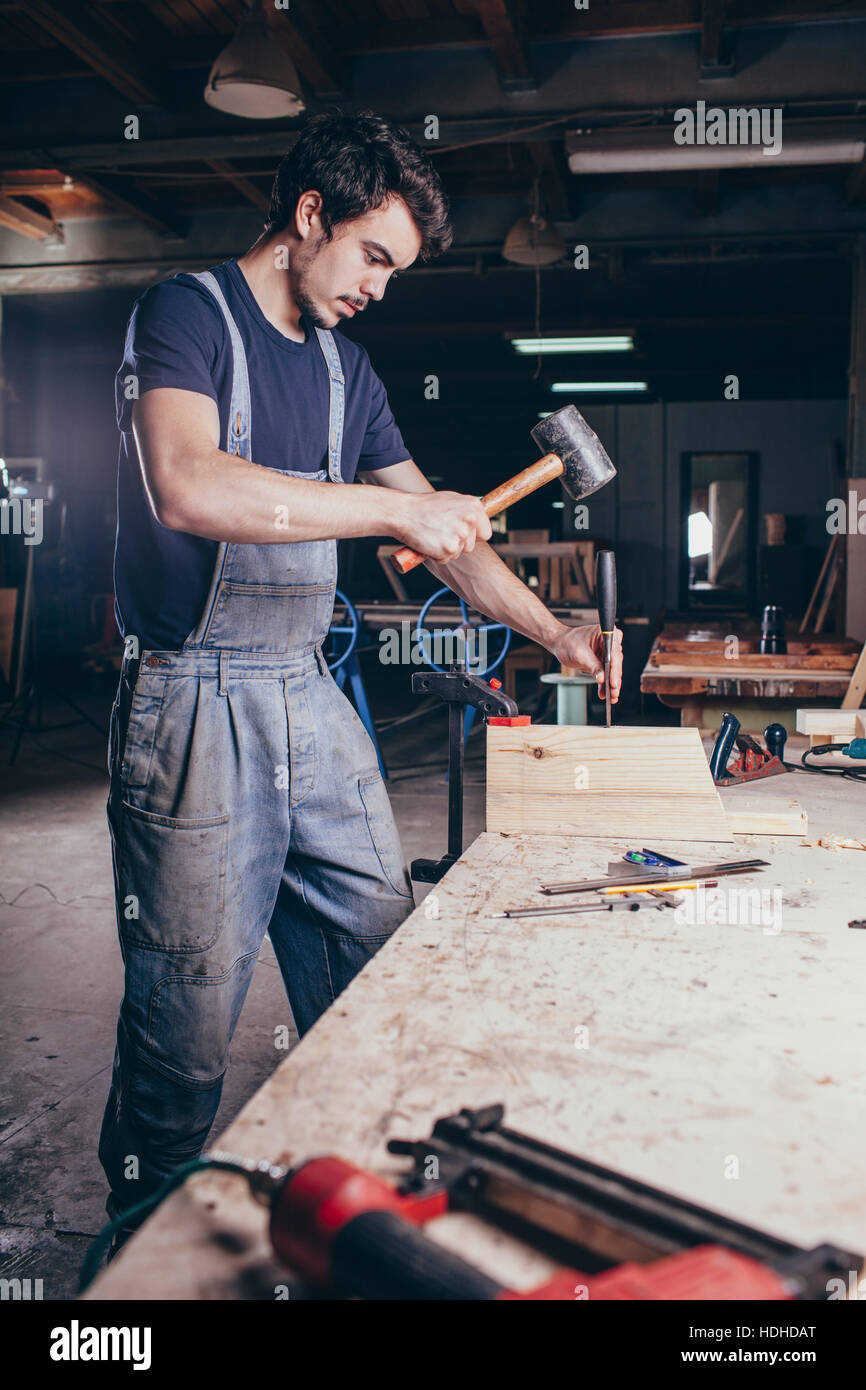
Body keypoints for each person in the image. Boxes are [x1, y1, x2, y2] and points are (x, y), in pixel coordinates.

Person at [99, 111, 623, 1235]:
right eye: (372, 256)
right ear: (305, 218)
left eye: (396, 269)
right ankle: (136, 1245)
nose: (380, 287)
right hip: (194, 699)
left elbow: (457, 536)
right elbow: (189, 484)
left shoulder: (347, 371)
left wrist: (554, 632)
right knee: (183, 1019)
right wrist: (391, 508)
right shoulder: (187, 316)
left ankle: (355, 1218)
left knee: (377, 956)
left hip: (306, 691)